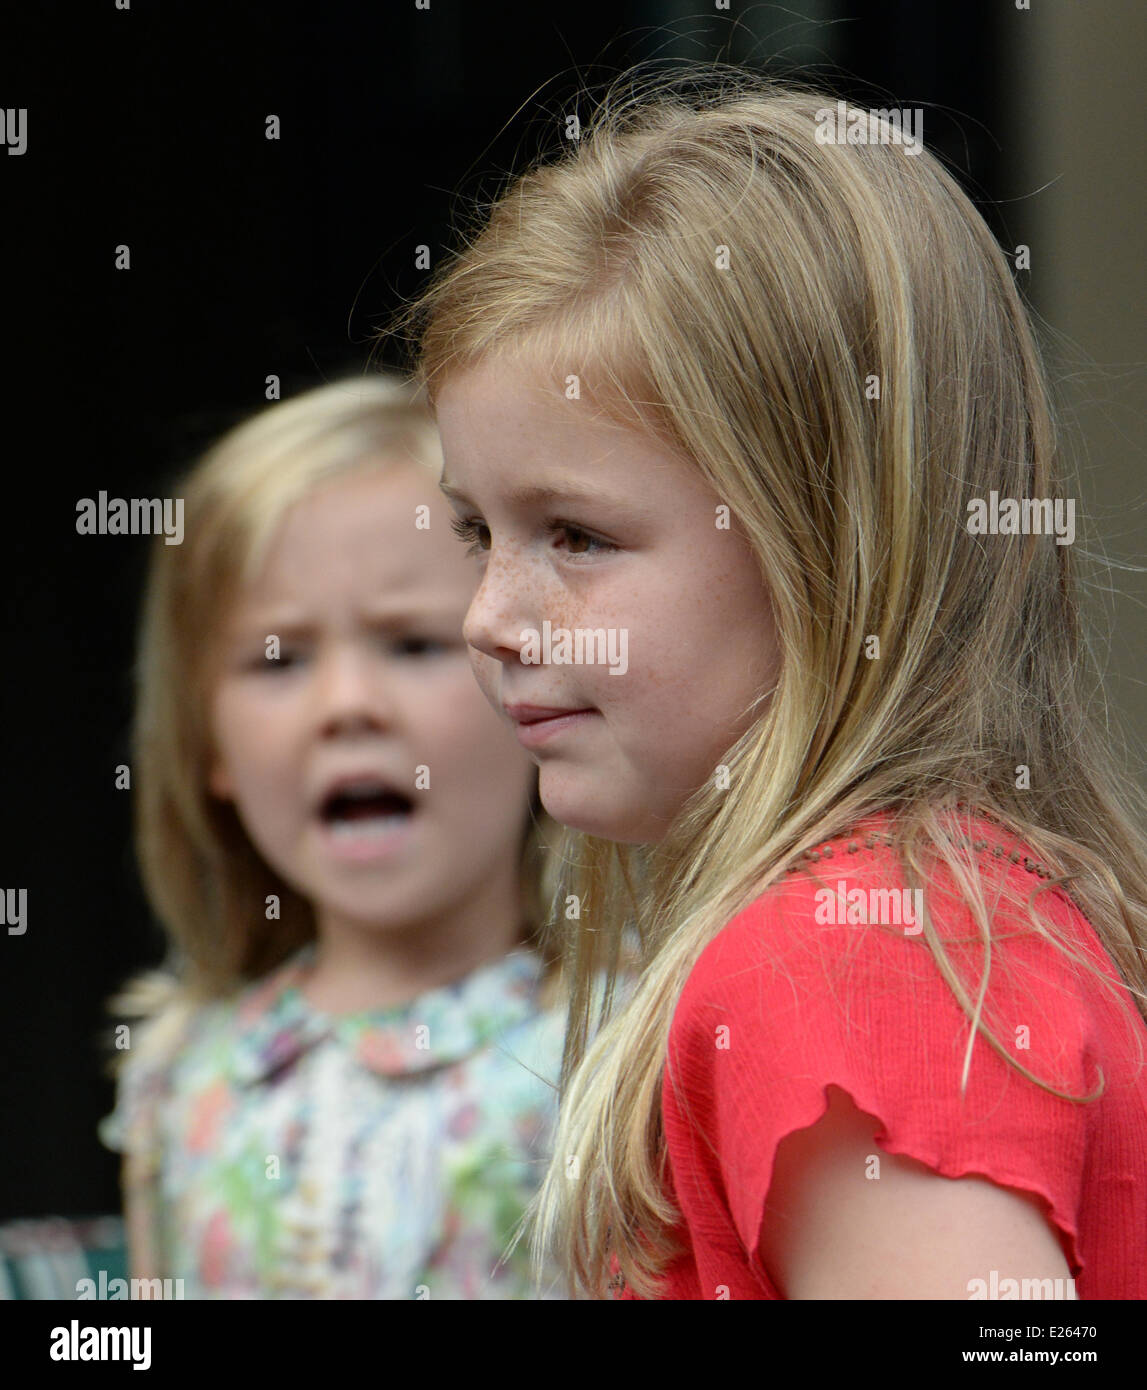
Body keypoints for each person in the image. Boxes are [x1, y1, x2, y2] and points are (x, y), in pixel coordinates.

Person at [397, 66, 1147, 1300]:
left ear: (830, 540)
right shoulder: (937, 916)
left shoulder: (853, 963)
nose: (489, 618)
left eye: (577, 537)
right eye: (477, 530)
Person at [100, 374, 572, 1298]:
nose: (348, 705)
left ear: (532, 688)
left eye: (412, 644)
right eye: (279, 658)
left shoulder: (622, 1046)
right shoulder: (179, 1076)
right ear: (206, 744)